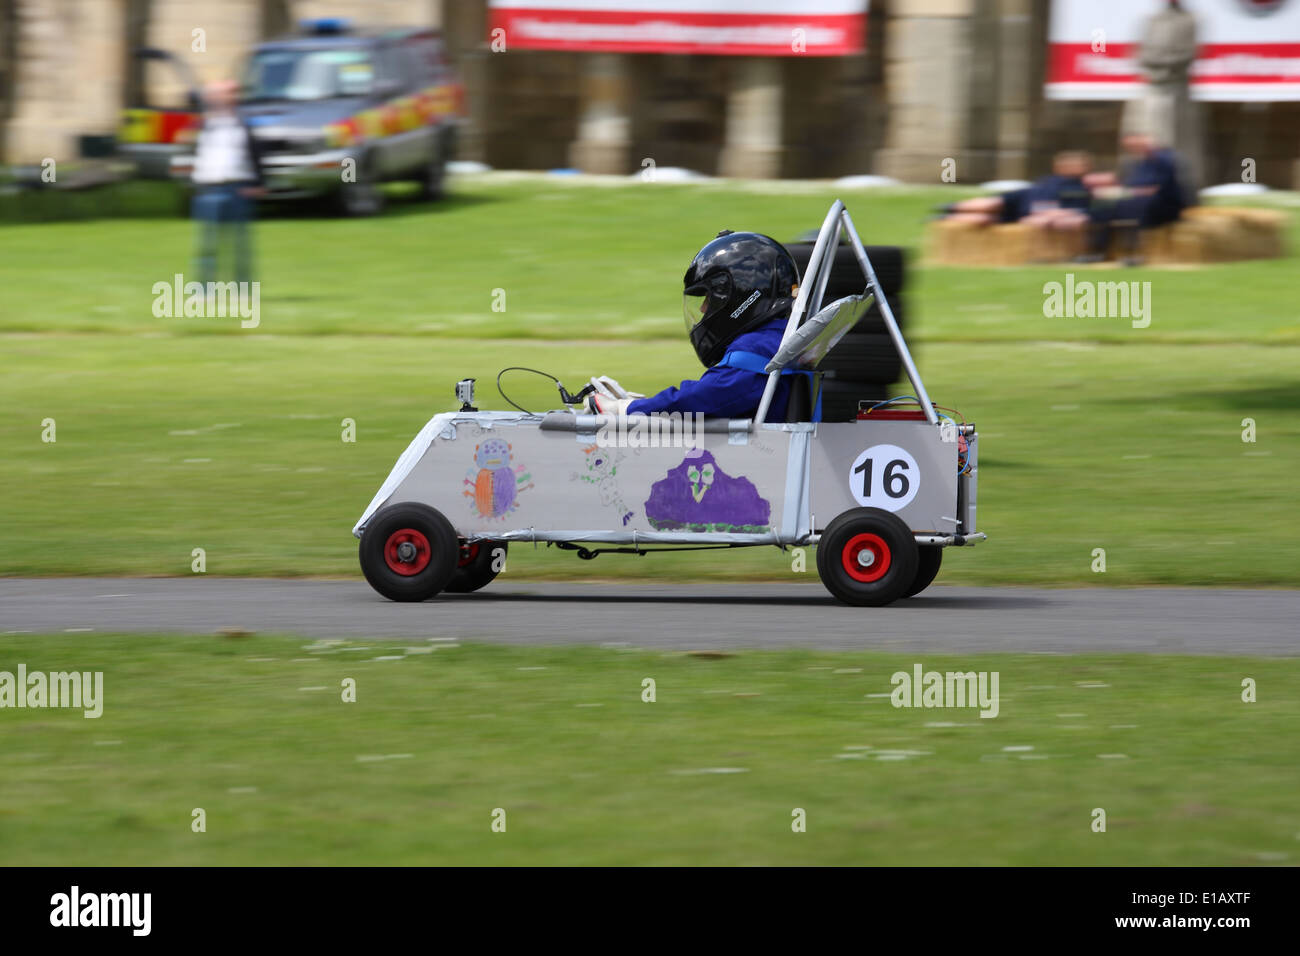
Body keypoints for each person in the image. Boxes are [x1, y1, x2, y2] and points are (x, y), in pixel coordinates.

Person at [590, 231, 803, 421]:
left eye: (709, 299)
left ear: (738, 297)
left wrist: (625, 409)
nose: (702, 309)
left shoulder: (759, 346)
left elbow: (704, 399)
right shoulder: (781, 339)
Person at [191, 79, 265, 284]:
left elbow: (256, 154)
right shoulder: (204, 125)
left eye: (232, 93)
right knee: (208, 243)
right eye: (223, 94)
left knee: (240, 245)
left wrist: (259, 183)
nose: (228, 98)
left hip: (237, 187)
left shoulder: (242, 124)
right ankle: (204, 288)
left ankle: (242, 288)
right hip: (209, 188)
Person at [1085, 132, 1187, 261]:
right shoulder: (1137, 163)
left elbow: (1154, 189)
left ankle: (1137, 253)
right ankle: (1098, 251)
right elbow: (1129, 185)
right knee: (1102, 206)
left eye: (1135, 144)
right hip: (1137, 201)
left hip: (1165, 204)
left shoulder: (1164, 159)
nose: (1132, 148)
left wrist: (1124, 193)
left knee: (1137, 206)